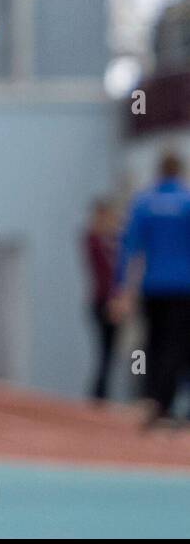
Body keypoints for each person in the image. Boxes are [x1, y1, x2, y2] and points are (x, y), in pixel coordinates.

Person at [114, 151, 190, 426]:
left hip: (153, 286)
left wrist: (121, 290)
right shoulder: (187, 201)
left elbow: (129, 247)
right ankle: (166, 404)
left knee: (154, 343)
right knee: (178, 345)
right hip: (183, 288)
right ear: (179, 171)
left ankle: (152, 398)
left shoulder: (144, 202)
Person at [82, 198, 121, 402]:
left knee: (110, 352)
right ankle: (99, 395)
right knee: (104, 351)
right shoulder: (94, 240)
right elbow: (106, 270)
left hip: (112, 301)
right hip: (101, 301)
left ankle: (101, 394)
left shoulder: (111, 240)